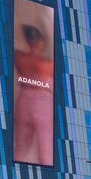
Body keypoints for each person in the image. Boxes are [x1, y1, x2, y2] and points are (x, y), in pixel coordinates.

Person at [13, 20, 55, 165]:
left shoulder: (19, 58)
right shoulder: (48, 65)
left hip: (23, 100)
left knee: (19, 151)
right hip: (42, 103)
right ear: (40, 42)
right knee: (45, 153)